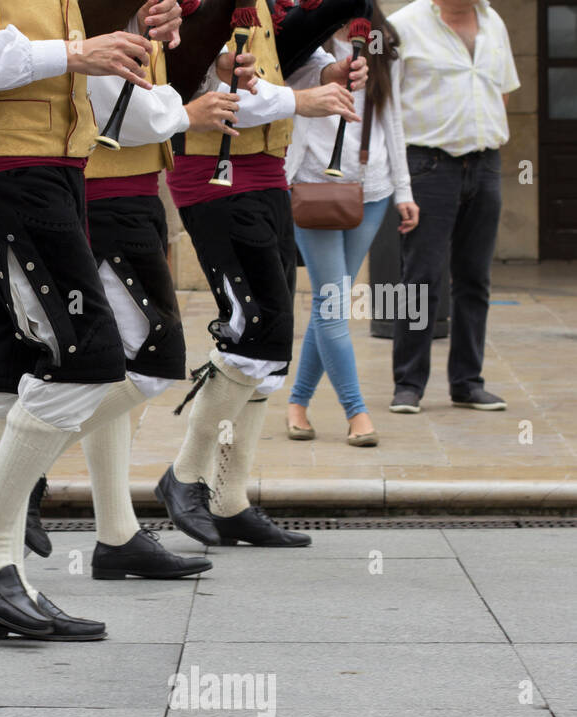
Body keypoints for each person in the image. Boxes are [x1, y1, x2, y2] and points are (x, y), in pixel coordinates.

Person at [0, 0, 188, 642]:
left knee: (15, 366)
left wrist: (120, 38)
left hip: (54, 164)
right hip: (8, 166)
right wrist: (71, 53)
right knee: (87, 357)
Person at [153, 0, 365, 549]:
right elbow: (218, 94)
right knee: (253, 327)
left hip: (268, 169)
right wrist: (303, 98)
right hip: (213, 174)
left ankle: (228, 500)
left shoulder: (264, 7)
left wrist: (329, 73)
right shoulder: (197, 9)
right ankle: (183, 477)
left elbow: (282, 62)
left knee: (270, 342)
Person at [70, 18, 249, 585]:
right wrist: (187, 114)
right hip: (98, 192)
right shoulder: (96, 12)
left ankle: (116, 534)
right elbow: (121, 107)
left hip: (131, 189)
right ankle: (19, 473)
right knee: (151, 359)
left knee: (117, 368)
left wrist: (203, 73)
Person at [285, 6, 417, 446]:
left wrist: (403, 190)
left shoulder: (382, 41)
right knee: (333, 303)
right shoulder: (303, 38)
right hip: (313, 186)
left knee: (331, 304)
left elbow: (391, 117)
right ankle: (356, 412)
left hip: (373, 189)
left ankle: (297, 403)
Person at [386, 0, 519, 415]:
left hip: (484, 163)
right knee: (420, 279)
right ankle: (408, 384)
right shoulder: (401, 26)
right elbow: (385, 104)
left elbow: (502, 93)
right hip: (428, 164)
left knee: (475, 279)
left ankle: (467, 382)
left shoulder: (493, 21)